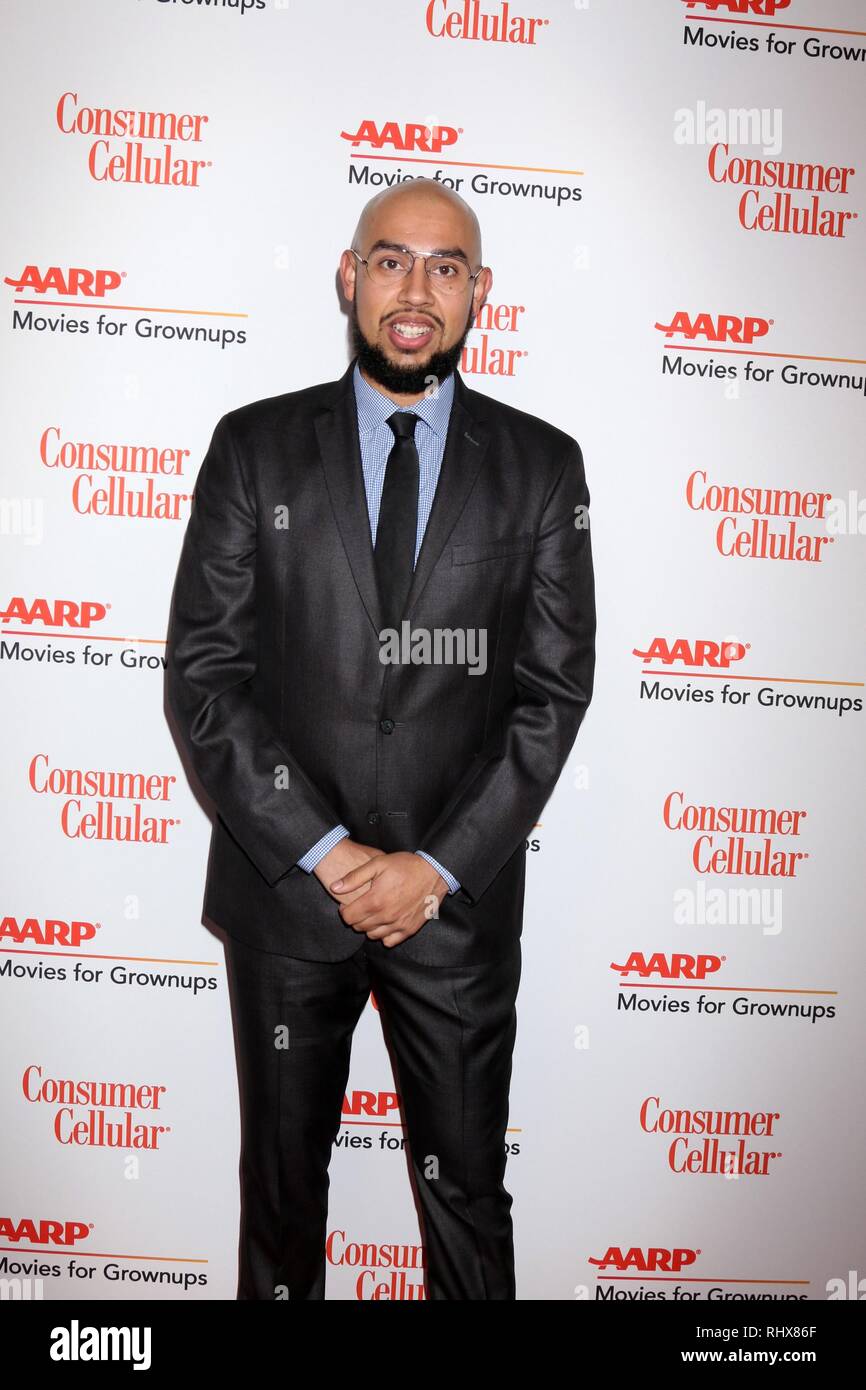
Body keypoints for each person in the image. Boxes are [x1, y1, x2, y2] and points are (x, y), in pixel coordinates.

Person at [165, 177, 596, 1300]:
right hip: (288, 897)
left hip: (451, 912)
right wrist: (332, 854)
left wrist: (434, 868)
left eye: (446, 266)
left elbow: (550, 695)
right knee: (282, 1193)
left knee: (464, 1201)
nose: (417, 289)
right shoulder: (253, 447)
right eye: (392, 259)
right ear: (348, 276)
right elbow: (206, 676)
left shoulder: (541, 467)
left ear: (479, 293)